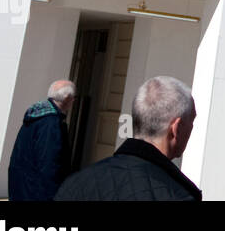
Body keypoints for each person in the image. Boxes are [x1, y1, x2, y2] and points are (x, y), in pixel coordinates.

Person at [55, 76, 201, 201]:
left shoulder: (76, 184)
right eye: (192, 121)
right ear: (176, 128)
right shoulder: (178, 195)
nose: (192, 128)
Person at [8, 79, 76, 201]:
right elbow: (50, 163)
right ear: (67, 98)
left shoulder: (36, 115)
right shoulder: (51, 124)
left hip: (21, 185)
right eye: (73, 98)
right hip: (36, 191)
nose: (73, 102)